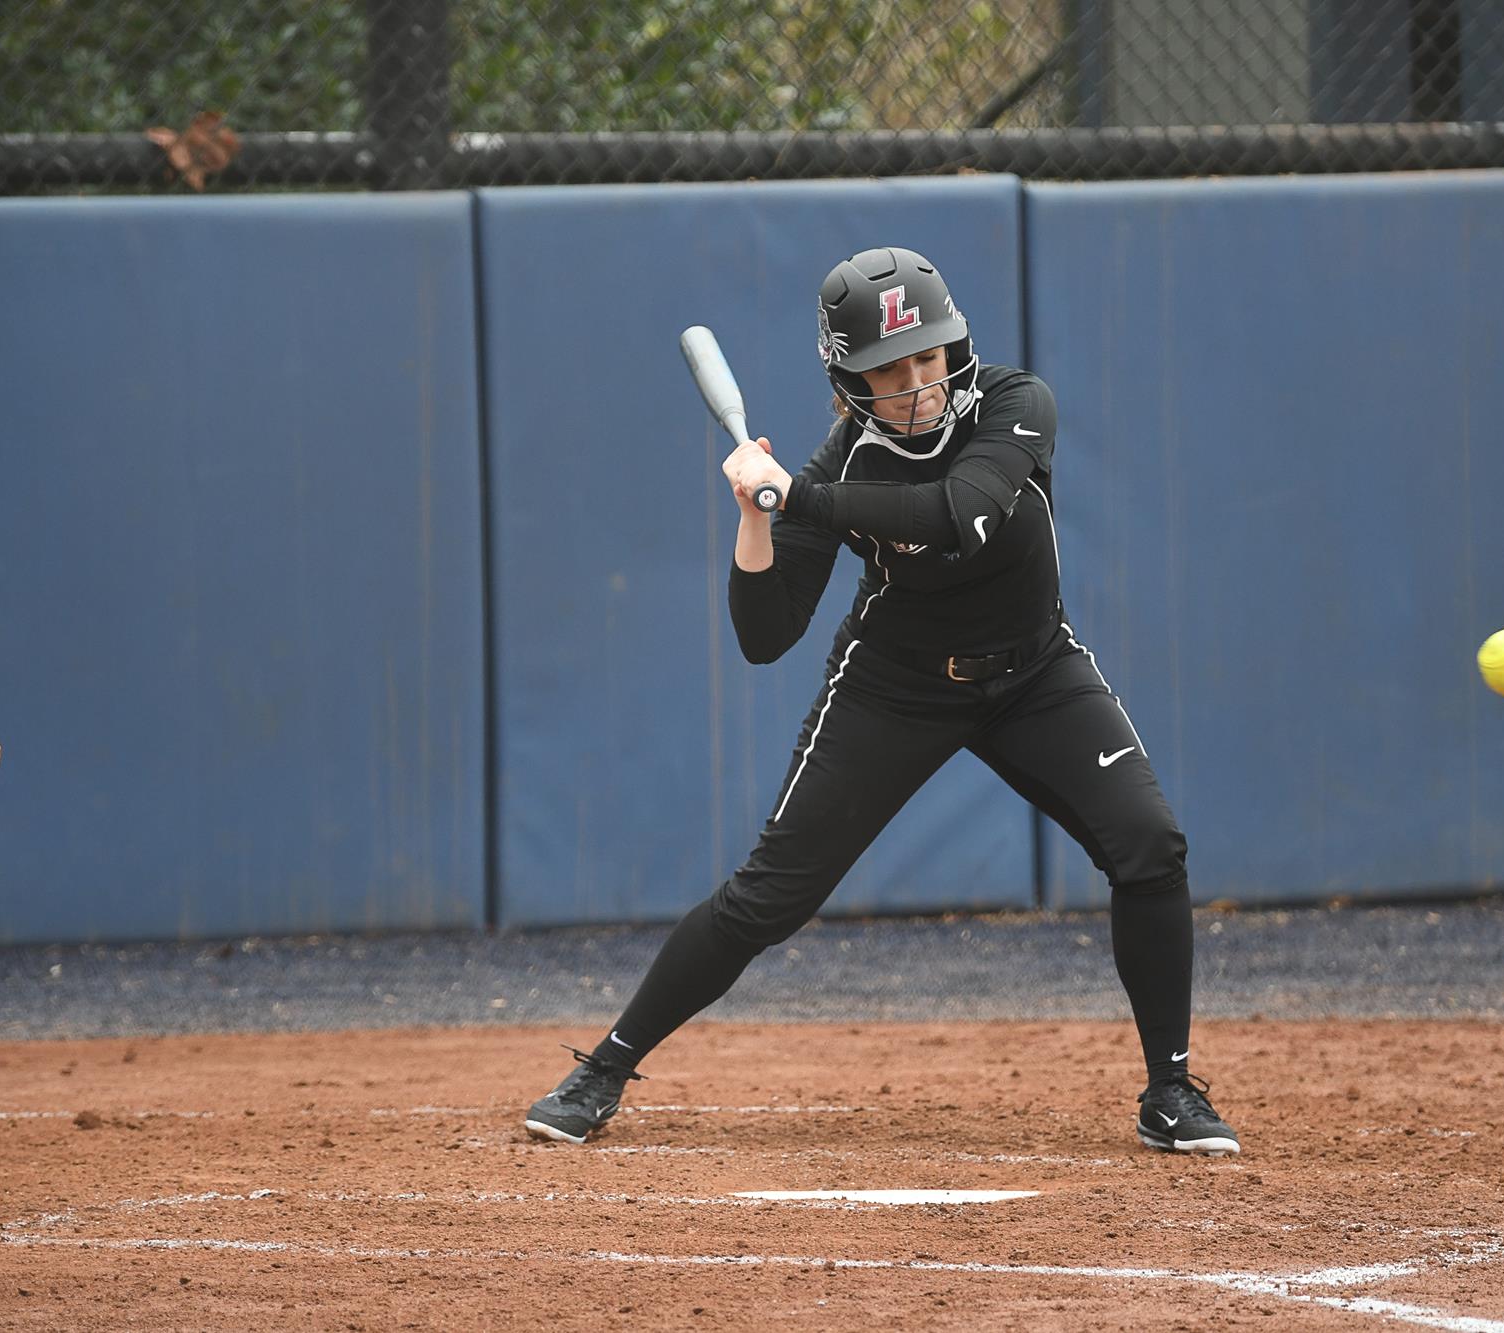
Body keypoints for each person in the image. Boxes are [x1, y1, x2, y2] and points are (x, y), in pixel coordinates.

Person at [524, 247, 1239, 1156]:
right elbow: (766, 632)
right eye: (890, 370)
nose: (917, 385)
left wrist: (803, 498)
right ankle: (603, 1069)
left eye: (928, 356)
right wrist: (757, 514)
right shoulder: (840, 461)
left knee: (1150, 845)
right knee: (767, 897)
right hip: (895, 684)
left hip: (1035, 673)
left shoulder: (1015, 403)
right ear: (849, 381)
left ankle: (1169, 1091)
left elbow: (959, 514)